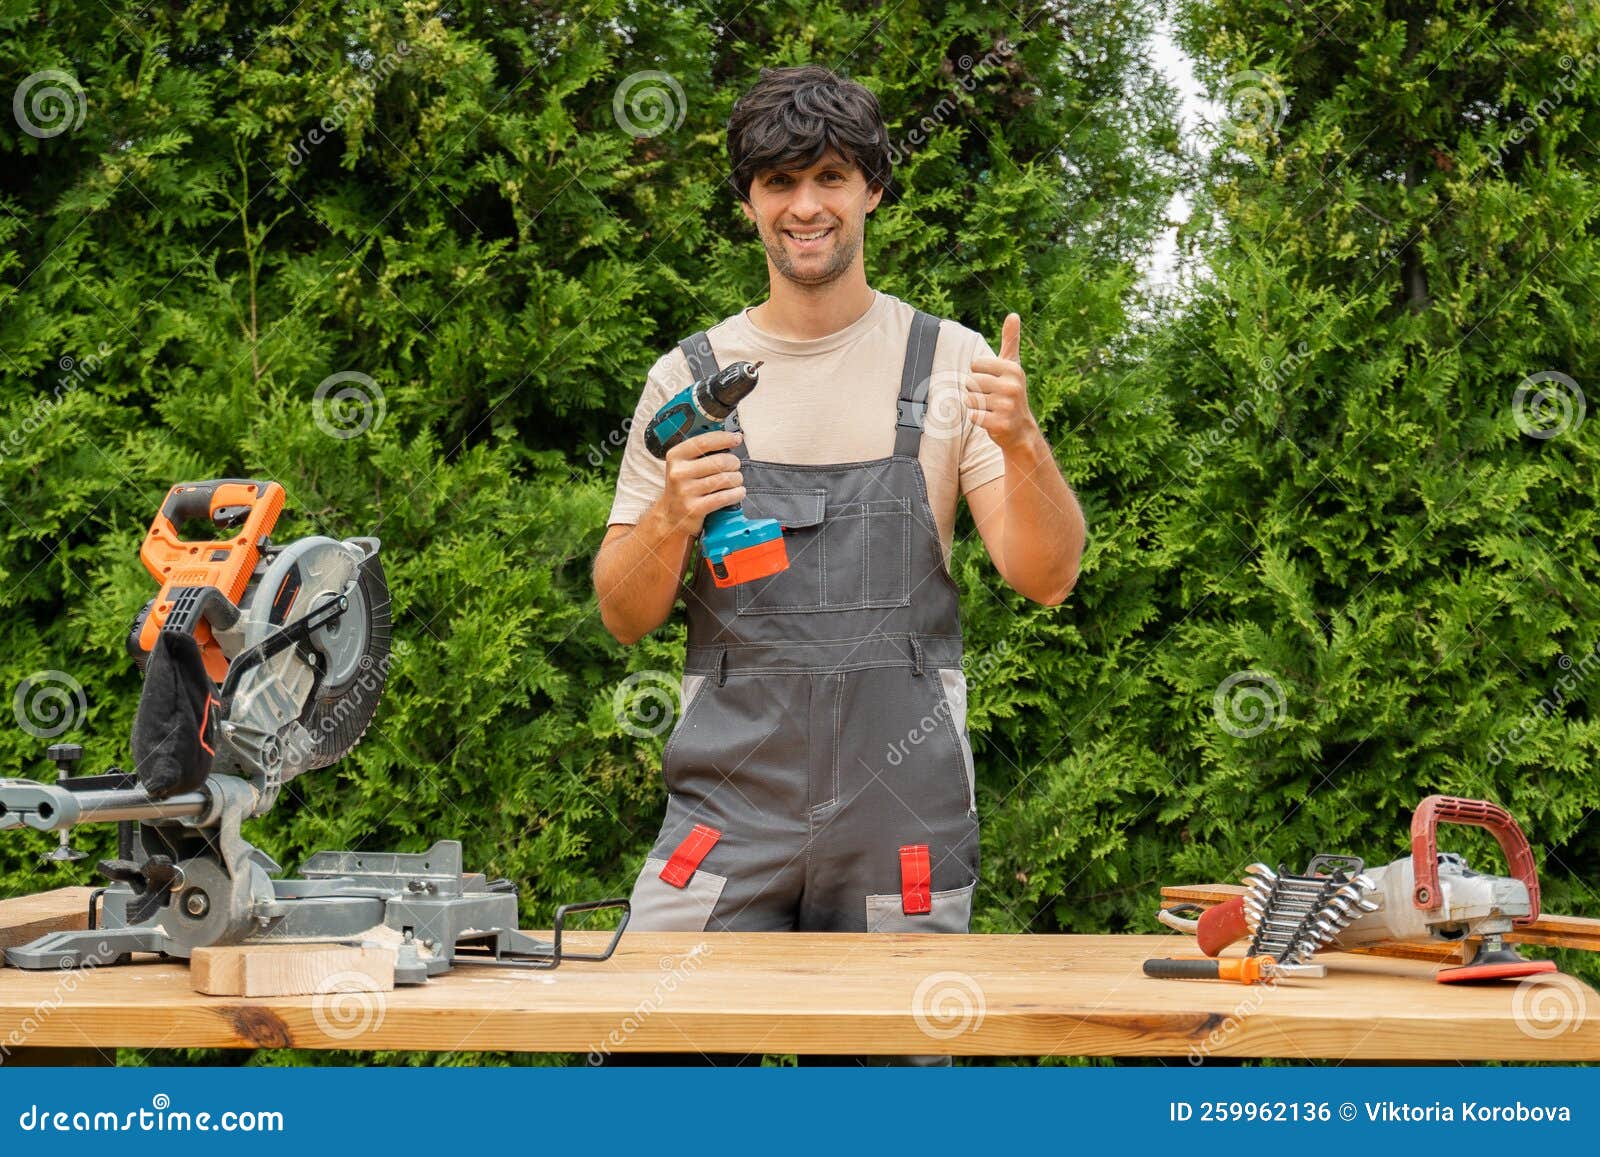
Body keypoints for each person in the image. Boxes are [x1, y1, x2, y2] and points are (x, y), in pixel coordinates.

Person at [592, 65, 1084, 1065]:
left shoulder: (949, 363)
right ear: (747, 203)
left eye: (827, 176)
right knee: (645, 1070)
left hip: (900, 823)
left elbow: (1046, 575)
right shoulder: (684, 380)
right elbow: (622, 612)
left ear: (871, 188)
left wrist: (1025, 445)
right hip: (725, 821)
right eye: (777, 183)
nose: (804, 206)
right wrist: (669, 522)